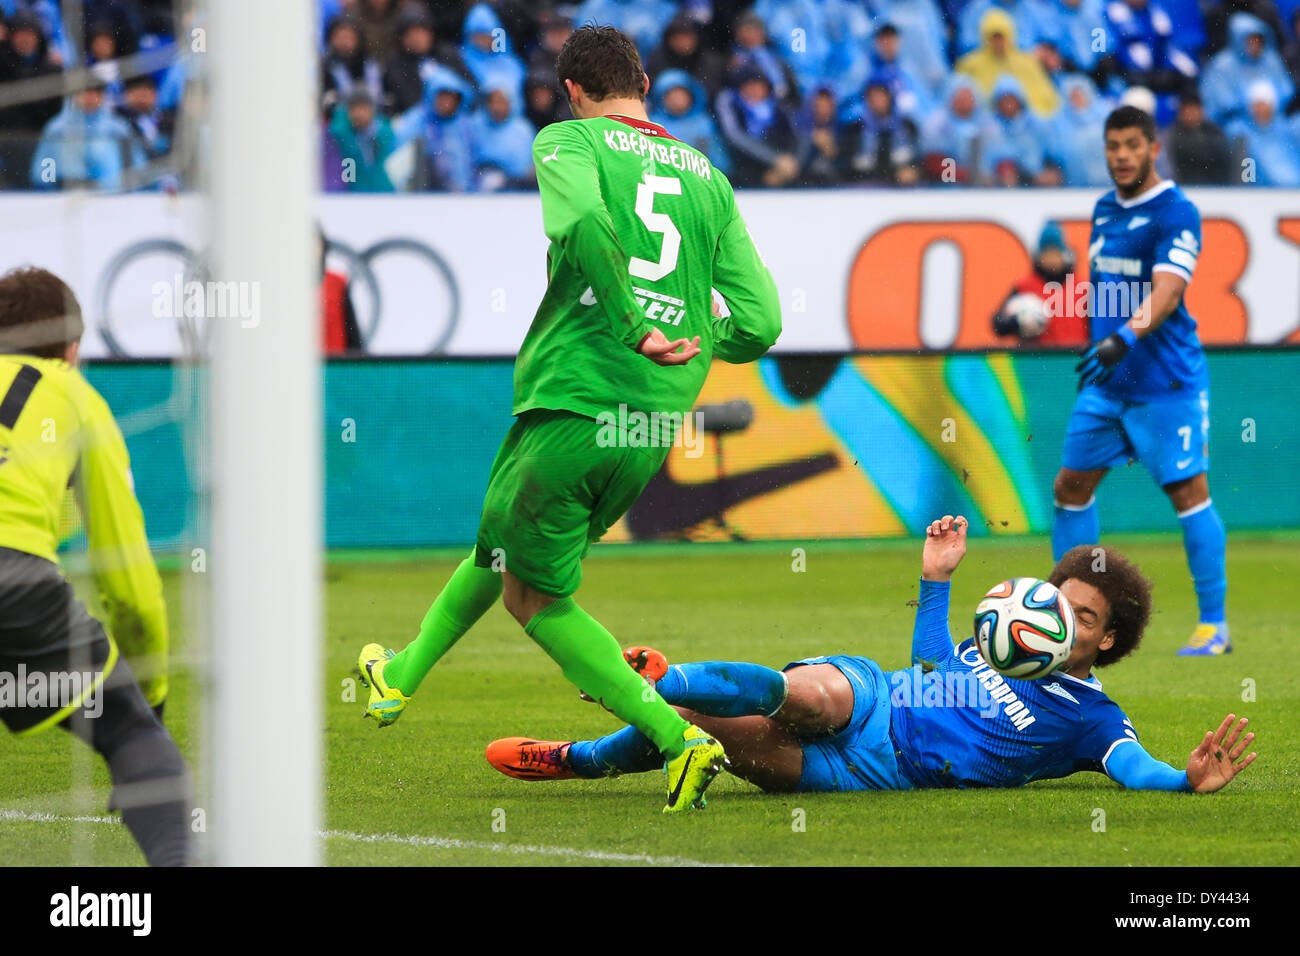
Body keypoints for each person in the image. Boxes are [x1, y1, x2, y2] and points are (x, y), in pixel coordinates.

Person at [353, 25, 781, 814]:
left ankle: (679, 739)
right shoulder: (708, 177)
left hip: (577, 396)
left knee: (533, 598)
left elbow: (580, 226)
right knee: (500, 544)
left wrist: (631, 323)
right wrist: (690, 341)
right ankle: (398, 677)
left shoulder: (568, 142)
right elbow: (761, 322)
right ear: (644, 84)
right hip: (651, 426)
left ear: (573, 91)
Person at [486, 515, 1256, 796]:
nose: (1058, 620)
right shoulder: (997, 646)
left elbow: (1135, 769)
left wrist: (1184, 782)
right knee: (809, 697)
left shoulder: (1093, 720)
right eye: (1055, 602)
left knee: (696, 727)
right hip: (874, 696)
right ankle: (654, 672)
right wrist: (934, 582)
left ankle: (577, 759)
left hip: (873, 770)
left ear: (1108, 640)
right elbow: (928, 672)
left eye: (1081, 618)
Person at [0, 266, 191, 865]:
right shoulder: (75, 397)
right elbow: (127, 575)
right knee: (129, 729)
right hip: (15, 580)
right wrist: (149, 694)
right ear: (74, 348)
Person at [1056, 106, 1230, 656]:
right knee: (1070, 488)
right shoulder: (1104, 209)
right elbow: (1104, 289)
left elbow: (1169, 291)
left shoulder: (1177, 211)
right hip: (1106, 382)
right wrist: (1051, 313)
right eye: (1113, 146)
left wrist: (1121, 340)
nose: (1122, 155)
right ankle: (1067, 621)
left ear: (1154, 148)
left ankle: (1213, 626)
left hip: (1165, 383)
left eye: (1133, 144)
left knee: (1188, 495)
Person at [993, 221, 1089, 347]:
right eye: (1047, 253)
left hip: (1073, 360)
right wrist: (1017, 321)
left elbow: (1098, 326)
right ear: (1039, 256)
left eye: (1055, 253)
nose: (1051, 259)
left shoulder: (1083, 288)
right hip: (1036, 362)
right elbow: (998, 324)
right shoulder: (1024, 287)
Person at [1167, 93, 1232, 183]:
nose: (1191, 115)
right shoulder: (1174, 134)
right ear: (1180, 113)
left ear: (1201, 111)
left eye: (1194, 110)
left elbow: (1222, 156)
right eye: (1187, 111)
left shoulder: (1214, 131)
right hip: (1186, 184)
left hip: (1215, 185)